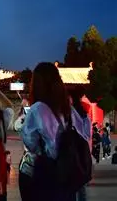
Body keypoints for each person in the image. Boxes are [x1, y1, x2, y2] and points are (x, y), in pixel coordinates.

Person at [19, 62, 91, 201]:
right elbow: (84, 134)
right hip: (67, 173)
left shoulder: (38, 109)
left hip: (45, 174)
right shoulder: (68, 109)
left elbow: (30, 142)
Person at [67, 87, 91, 201]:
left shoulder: (69, 112)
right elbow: (87, 135)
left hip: (73, 151)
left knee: (72, 185)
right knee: (81, 186)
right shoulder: (84, 114)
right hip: (82, 151)